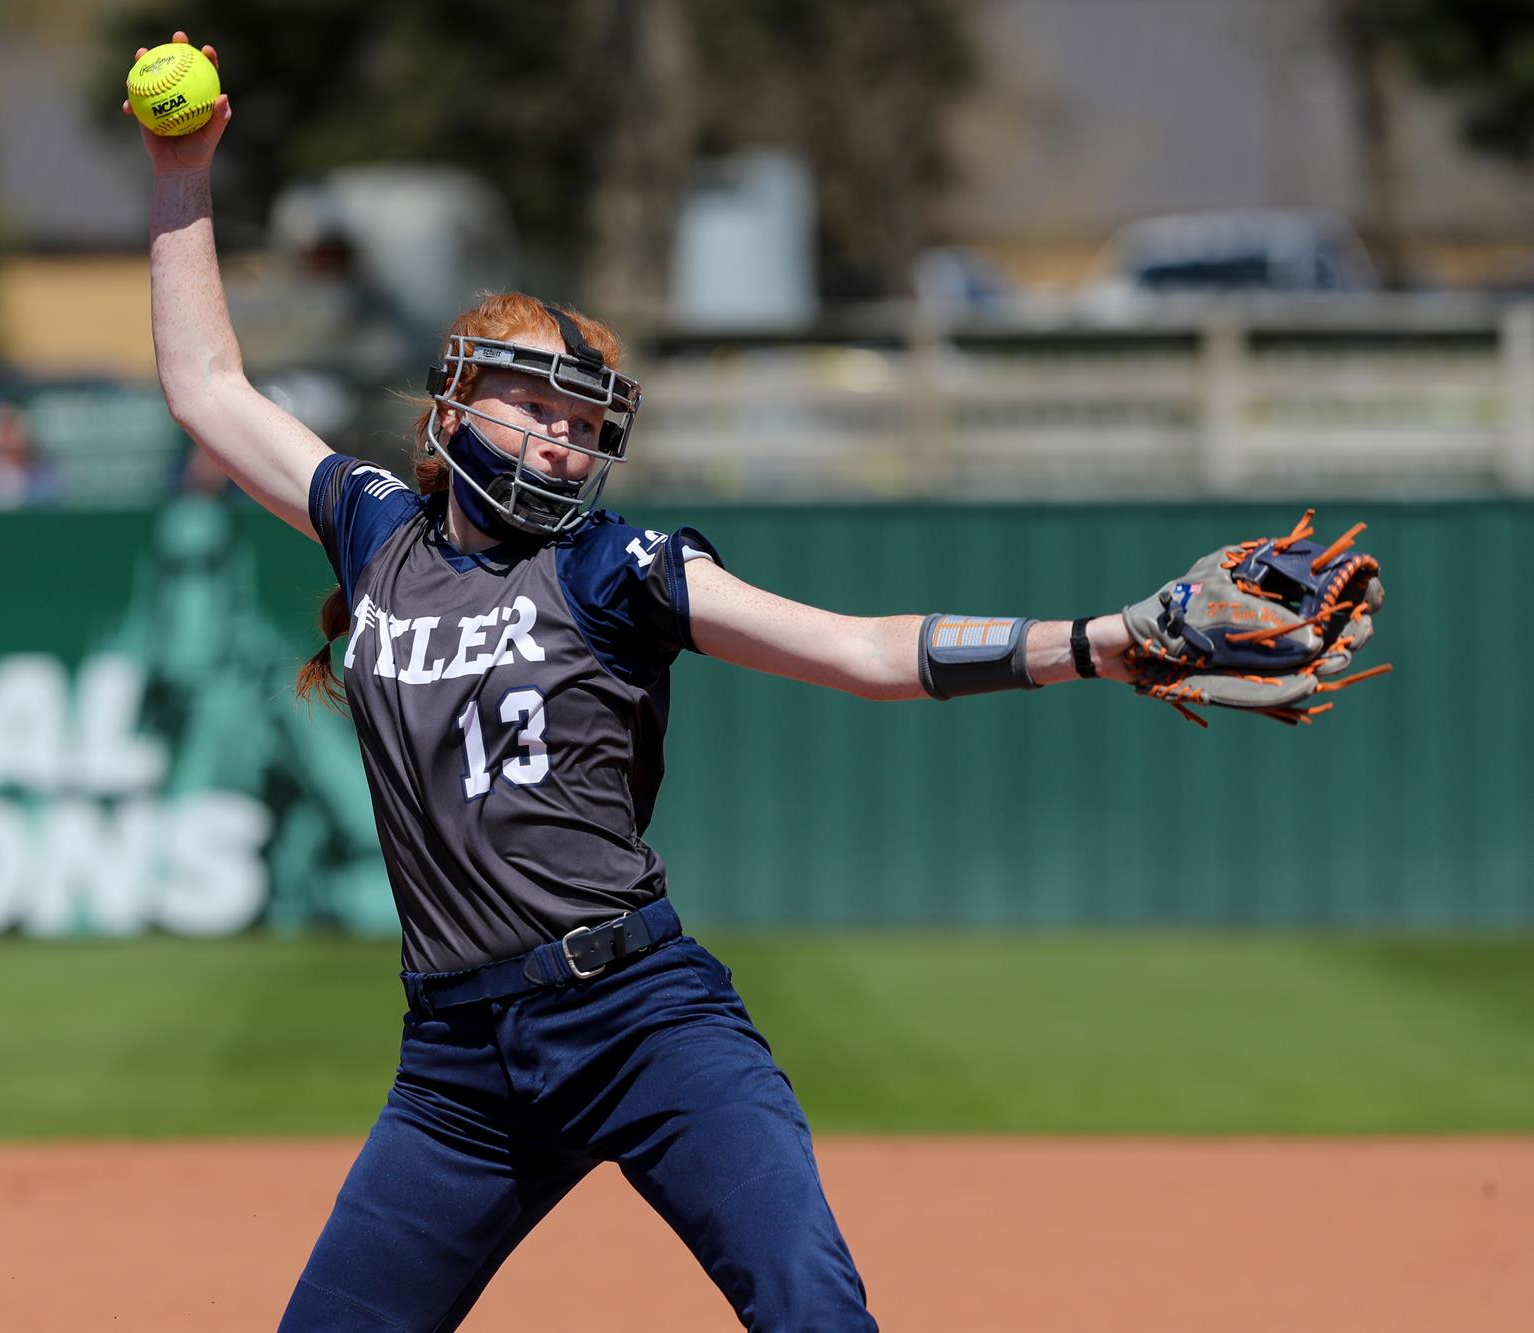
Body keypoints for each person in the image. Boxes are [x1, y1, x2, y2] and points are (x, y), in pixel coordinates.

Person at [129, 35, 1141, 1332]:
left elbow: (859, 652)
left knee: (809, 1309)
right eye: (534, 408)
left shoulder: (615, 568)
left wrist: (1101, 639)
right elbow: (205, 385)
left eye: (583, 424)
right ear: (451, 407)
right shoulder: (375, 534)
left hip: (640, 1022)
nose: (563, 440)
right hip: (456, 1069)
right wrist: (181, 171)